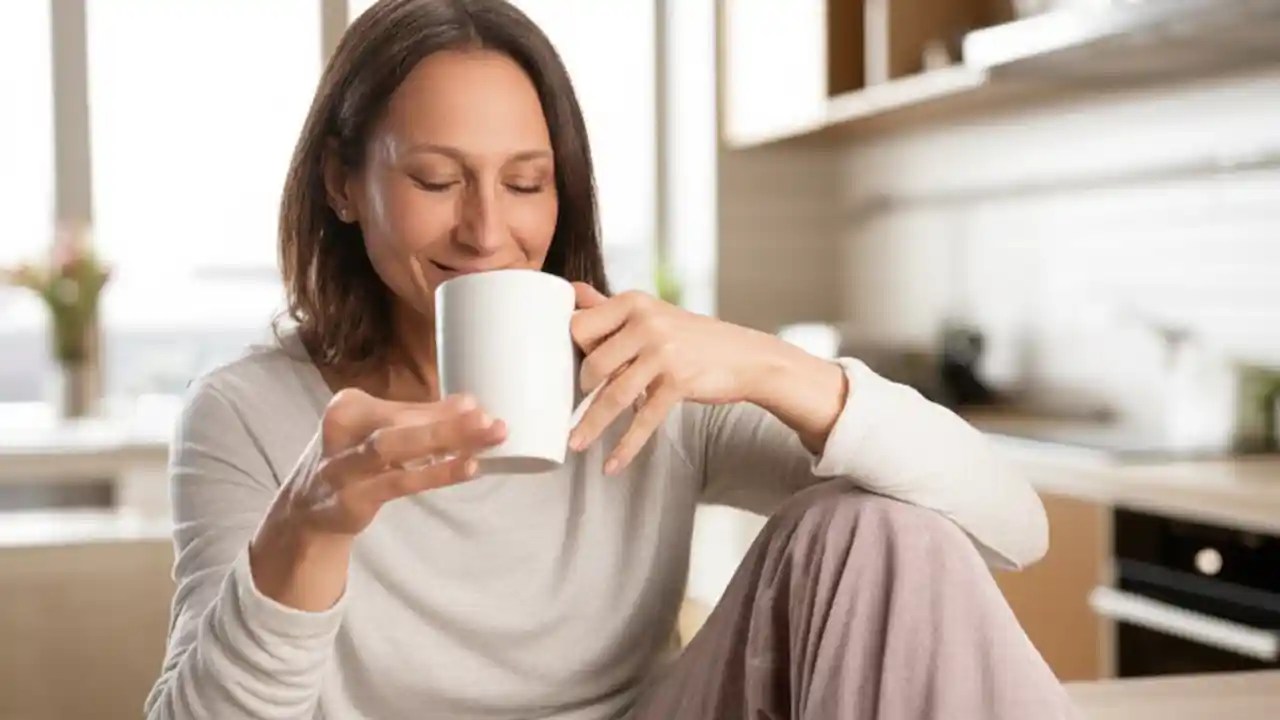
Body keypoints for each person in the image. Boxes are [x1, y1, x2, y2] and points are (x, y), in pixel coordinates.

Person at [144, 1, 1077, 718]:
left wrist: (768, 366)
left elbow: (1013, 527)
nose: (486, 230)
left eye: (525, 182)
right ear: (344, 182)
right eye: (435, 179)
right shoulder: (248, 412)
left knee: (877, 531)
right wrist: (306, 531)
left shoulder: (636, 375)